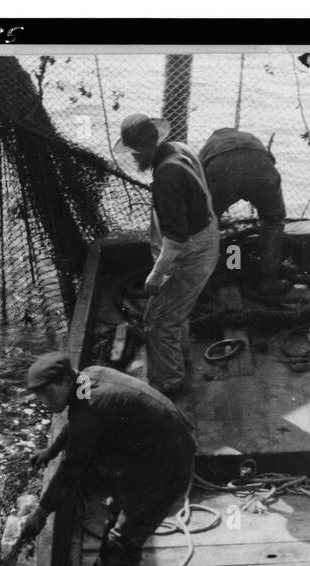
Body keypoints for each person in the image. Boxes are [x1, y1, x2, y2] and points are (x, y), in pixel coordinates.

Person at [19, 353, 196, 566]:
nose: (44, 402)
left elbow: (70, 471)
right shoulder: (87, 378)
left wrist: (41, 513)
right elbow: (76, 423)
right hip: (148, 455)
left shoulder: (93, 404)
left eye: (47, 393)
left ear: (66, 381)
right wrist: (52, 451)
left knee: (125, 541)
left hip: (167, 466)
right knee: (114, 515)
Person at [113, 113, 220, 398]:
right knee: (175, 311)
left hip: (192, 252)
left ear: (149, 147)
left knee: (158, 320)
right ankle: (180, 359)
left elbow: (175, 240)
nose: (134, 159)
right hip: (207, 236)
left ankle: (170, 384)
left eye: (136, 154)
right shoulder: (180, 149)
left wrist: (156, 275)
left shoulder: (166, 178)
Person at [199, 127, 288, 297]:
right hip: (261, 169)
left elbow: (199, 178)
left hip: (221, 170)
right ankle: (268, 282)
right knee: (273, 222)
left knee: (206, 222)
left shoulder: (210, 145)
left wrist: (215, 215)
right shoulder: (251, 137)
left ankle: (203, 282)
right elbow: (270, 162)